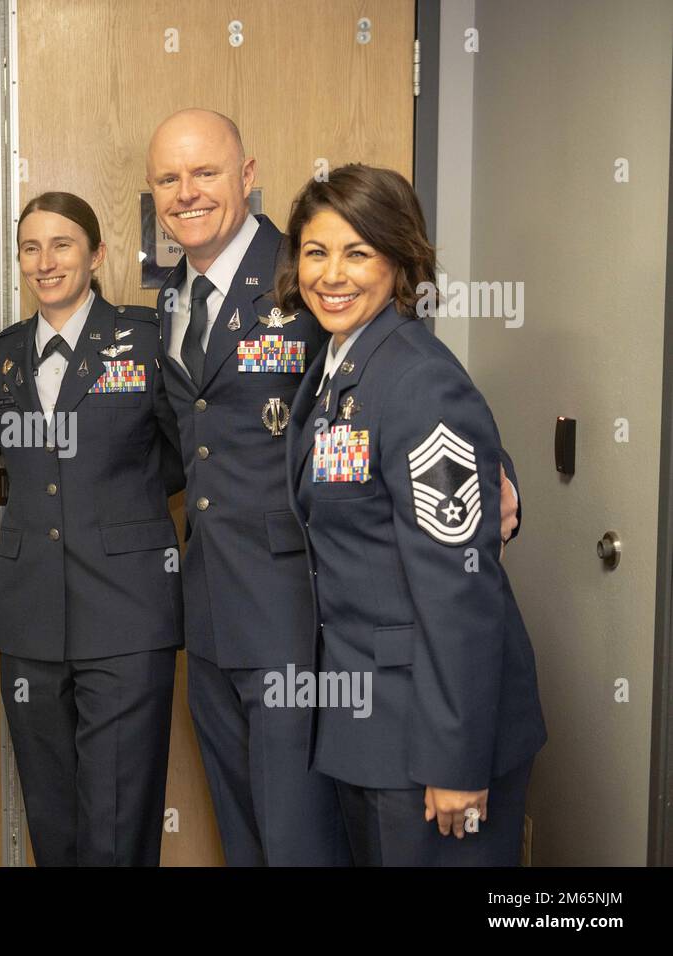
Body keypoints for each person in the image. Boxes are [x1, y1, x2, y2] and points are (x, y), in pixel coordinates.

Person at [144, 108, 521, 866]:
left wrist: (494, 473)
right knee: (250, 834)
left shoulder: (306, 269)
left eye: (206, 172)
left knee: (302, 841)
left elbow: (420, 395)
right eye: (168, 179)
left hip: (303, 624)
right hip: (217, 614)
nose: (187, 193)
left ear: (247, 178)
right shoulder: (170, 297)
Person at [280, 163, 547, 865]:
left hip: (431, 738)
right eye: (316, 251)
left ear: (399, 260)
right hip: (371, 729)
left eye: (357, 252)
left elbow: (458, 585)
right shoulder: (339, 367)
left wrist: (457, 761)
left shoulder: (418, 378)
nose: (331, 274)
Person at [0, 192, 185, 865]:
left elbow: (189, 450)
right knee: (51, 815)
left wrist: (122, 510)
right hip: (32, 614)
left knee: (116, 818)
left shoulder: (144, 342)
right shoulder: (0, 360)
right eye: (30, 247)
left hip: (128, 610)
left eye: (62, 245)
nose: (45, 261)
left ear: (97, 255)